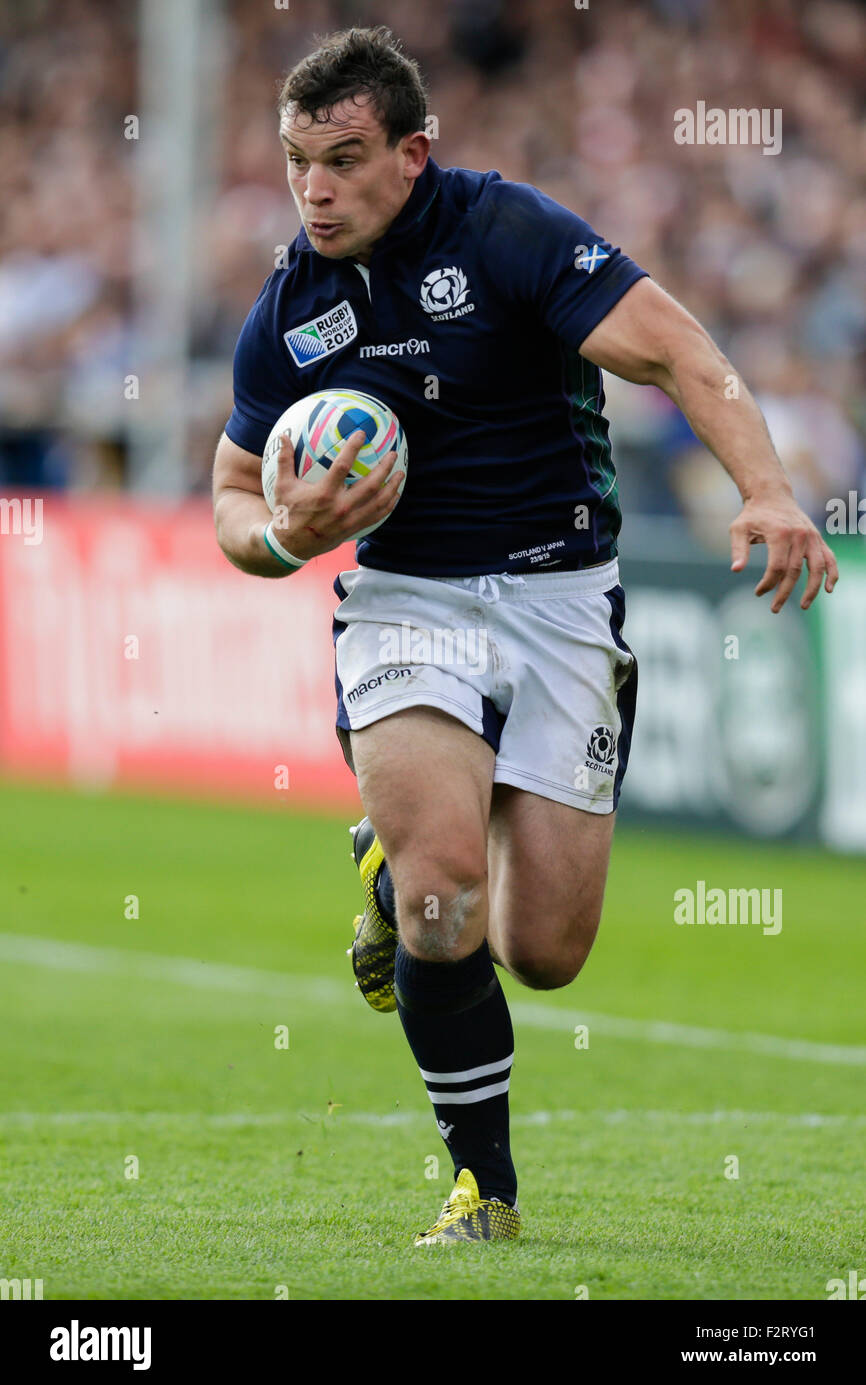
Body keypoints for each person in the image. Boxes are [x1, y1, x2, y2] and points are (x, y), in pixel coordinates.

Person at [212, 25, 837, 1246]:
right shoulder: (290, 307)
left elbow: (678, 353)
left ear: (413, 152)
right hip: (407, 600)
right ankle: (481, 1185)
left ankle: (386, 883)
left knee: (543, 952)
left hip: (561, 596)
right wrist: (285, 539)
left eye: (342, 159)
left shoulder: (508, 234)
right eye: (298, 162)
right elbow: (233, 497)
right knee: (447, 893)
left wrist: (762, 487)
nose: (316, 190)